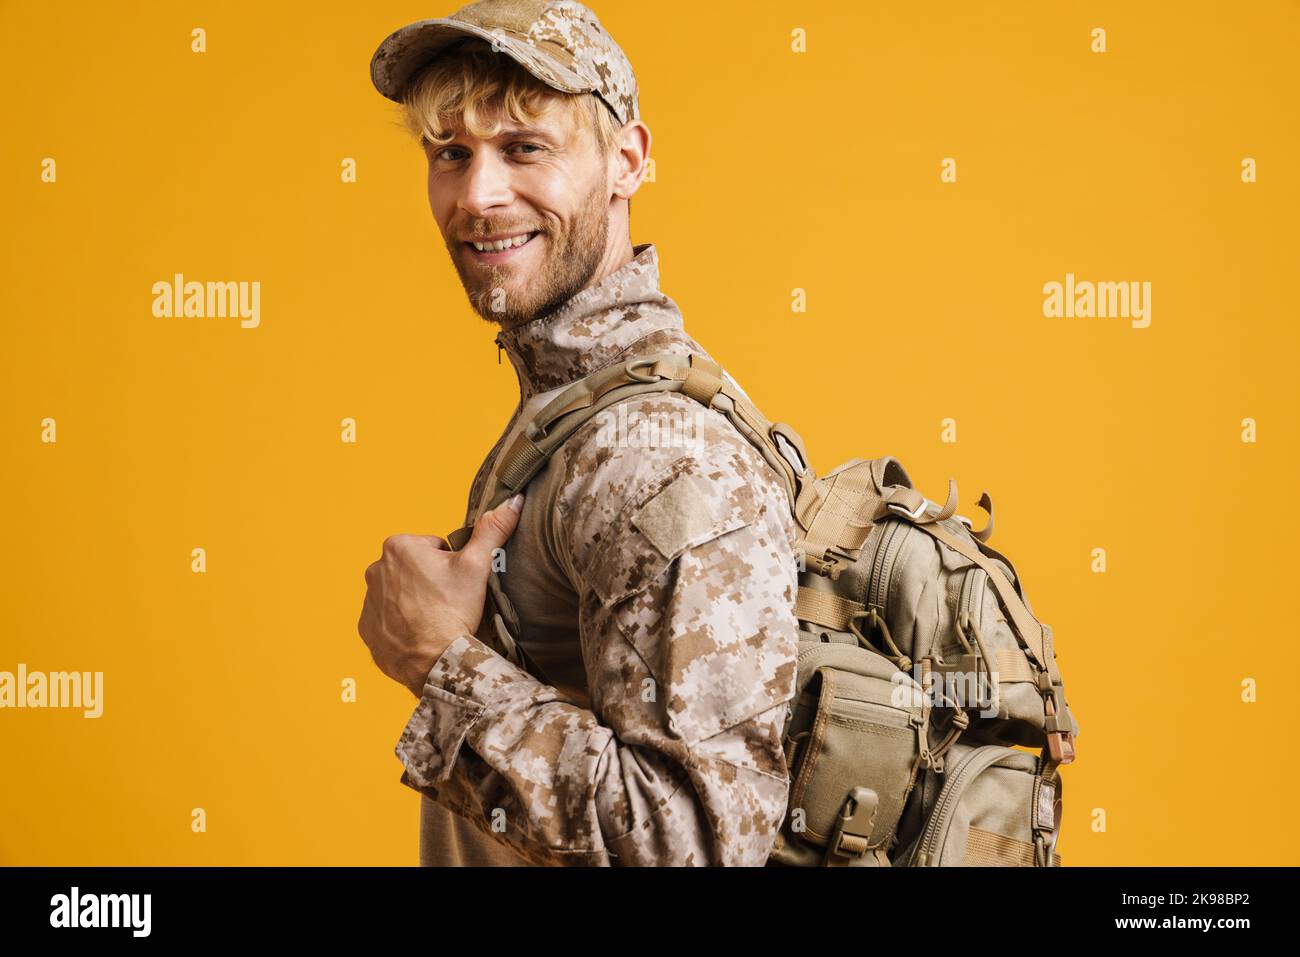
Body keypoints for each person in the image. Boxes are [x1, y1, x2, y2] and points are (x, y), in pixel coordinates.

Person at [358, 0, 800, 866]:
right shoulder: (575, 408)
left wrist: (440, 659)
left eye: (524, 148)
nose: (478, 195)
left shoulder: (658, 455)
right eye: (451, 153)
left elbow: (696, 846)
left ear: (625, 161)